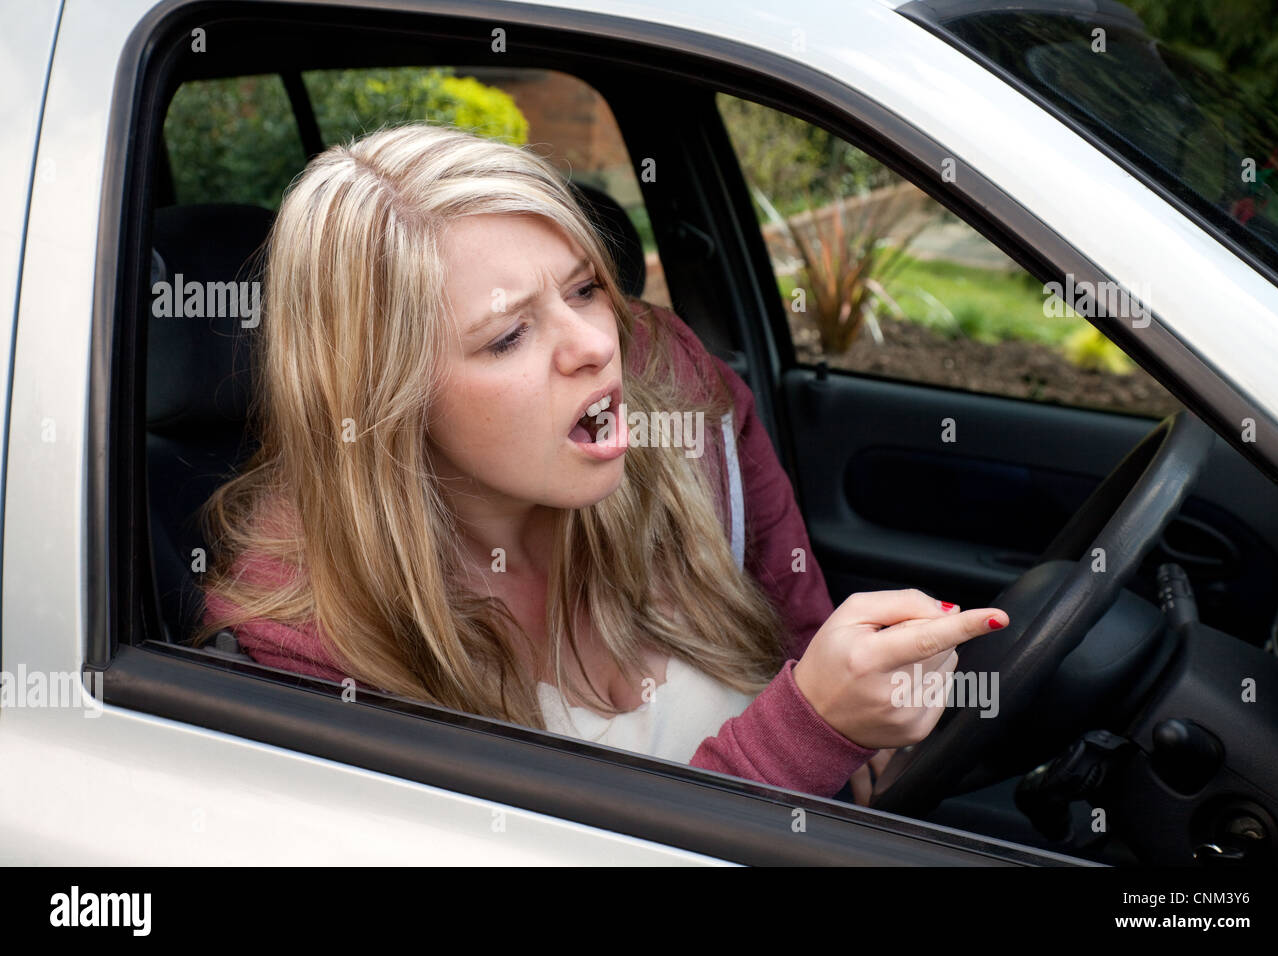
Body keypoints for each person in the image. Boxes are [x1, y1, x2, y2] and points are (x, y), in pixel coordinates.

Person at [196, 123, 1008, 805]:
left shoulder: (687, 418)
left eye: (584, 289)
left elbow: (810, 651)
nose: (595, 345)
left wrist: (872, 717)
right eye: (509, 336)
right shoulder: (307, 650)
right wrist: (803, 734)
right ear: (386, 398)